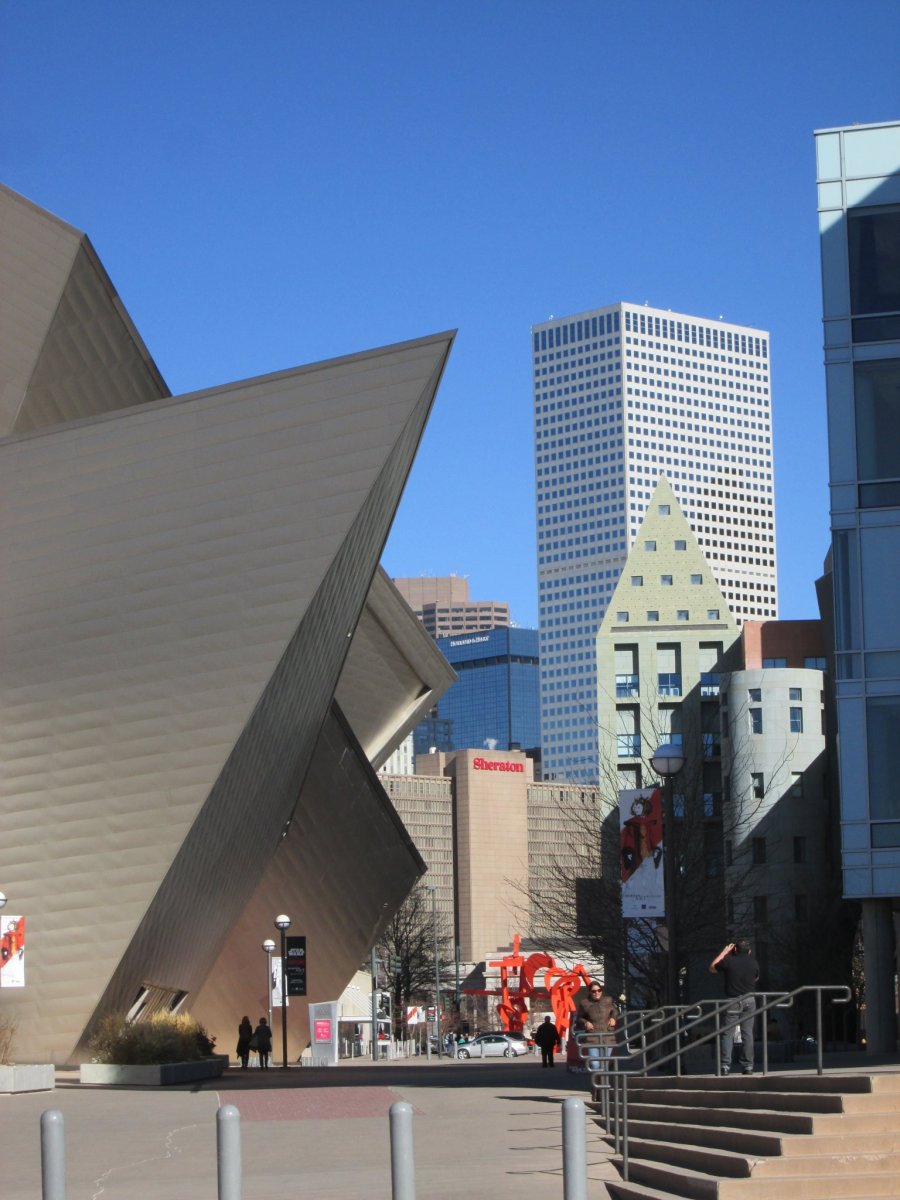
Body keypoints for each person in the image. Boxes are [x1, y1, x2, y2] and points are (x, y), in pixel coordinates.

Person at [709, 939, 760, 1075]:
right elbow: (756, 978)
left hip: (732, 1000)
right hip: (749, 999)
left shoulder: (729, 961)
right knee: (747, 1033)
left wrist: (724, 952)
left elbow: (713, 967)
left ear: (735, 950)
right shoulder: (753, 961)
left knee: (728, 1034)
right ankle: (748, 1066)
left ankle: (725, 1066)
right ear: (749, 951)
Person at [575, 980, 619, 1072]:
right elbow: (579, 1018)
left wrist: (613, 1018)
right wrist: (586, 1023)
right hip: (592, 1037)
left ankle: (601, 1085)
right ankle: (598, 1085)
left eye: (599, 990)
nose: (597, 993)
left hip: (607, 1036)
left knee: (605, 1064)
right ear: (590, 992)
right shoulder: (584, 1003)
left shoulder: (607, 1000)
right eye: (594, 991)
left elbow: (615, 1011)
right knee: (595, 1064)